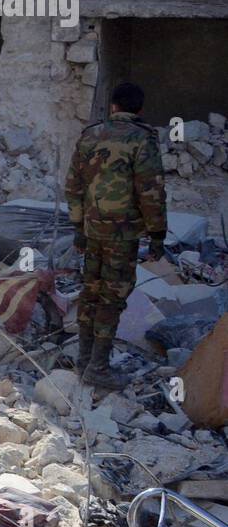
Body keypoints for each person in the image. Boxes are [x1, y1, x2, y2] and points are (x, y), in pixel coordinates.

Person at [65, 82, 167, 390]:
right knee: (111, 298)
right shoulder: (143, 139)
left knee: (90, 292)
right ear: (139, 109)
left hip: (91, 230)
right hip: (122, 235)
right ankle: (97, 368)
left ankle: (84, 361)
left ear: (112, 107)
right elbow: (151, 192)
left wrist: (78, 229)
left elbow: (73, 186)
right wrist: (157, 234)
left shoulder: (90, 135)